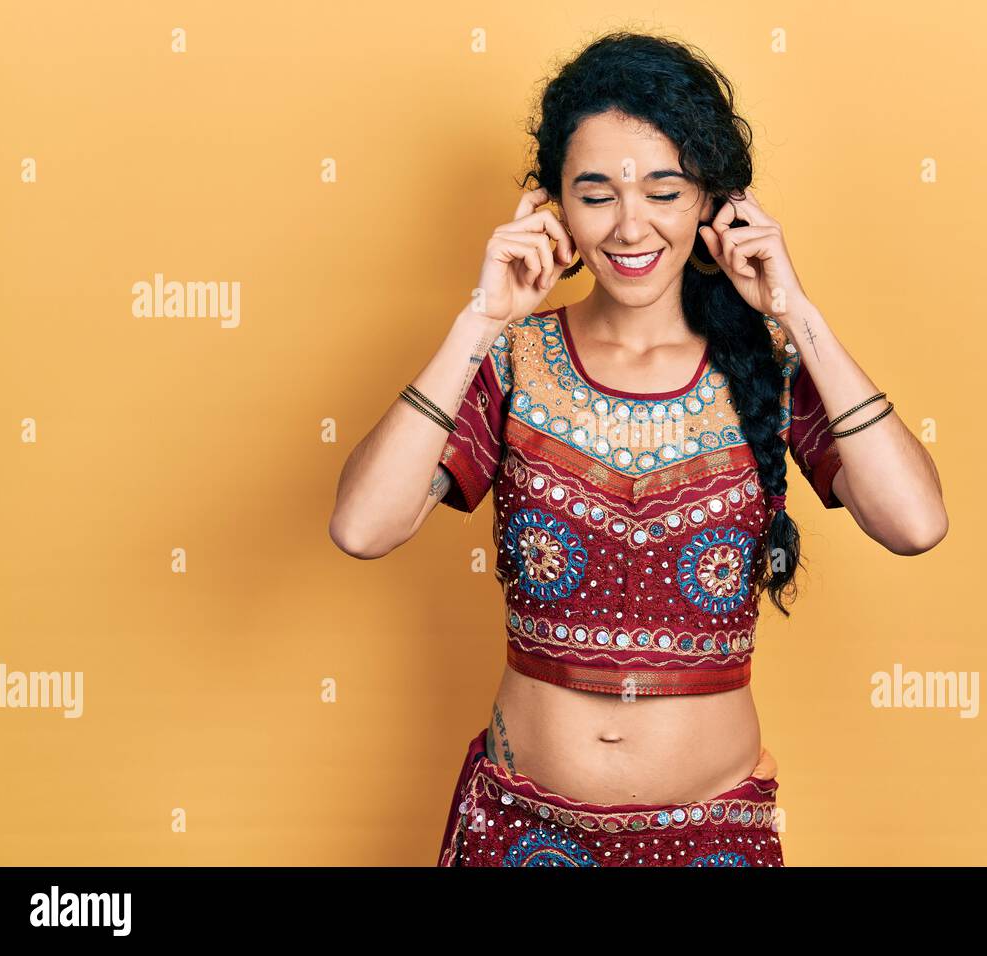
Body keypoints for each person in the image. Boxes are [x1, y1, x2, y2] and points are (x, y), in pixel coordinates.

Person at [328, 31, 948, 867]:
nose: (631, 227)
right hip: (521, 832)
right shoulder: (510, 360)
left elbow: (914, 522)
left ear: (712, 201)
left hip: (712, 836)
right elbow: (363, 528)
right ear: (554, 206)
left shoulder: (765, 364)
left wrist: (796, 312)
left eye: (665, 189)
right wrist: (477, 321)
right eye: (596, 194)